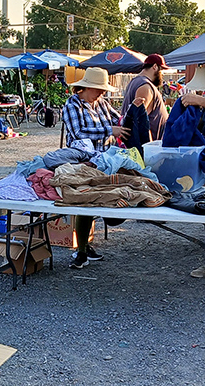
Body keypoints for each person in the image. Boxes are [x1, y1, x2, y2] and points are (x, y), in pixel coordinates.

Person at [61, 67, 130, 270]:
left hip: (104, 160)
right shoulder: (71, 105)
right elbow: (78, 132)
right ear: (86, 87)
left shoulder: (101, 103)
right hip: (83, 162)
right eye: (98, 89)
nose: (102, 93)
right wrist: (110, 130)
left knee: (97, 202)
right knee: (85, 204)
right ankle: (81, 250)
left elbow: (119, 120)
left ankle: (84, 247)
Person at [120, 53, 169, 141]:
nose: (162, 74)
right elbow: (140, 121)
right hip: (148, 147)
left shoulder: (136, 81)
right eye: (161, 70)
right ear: (155, 67)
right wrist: (148, 146)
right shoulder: (145, 86)